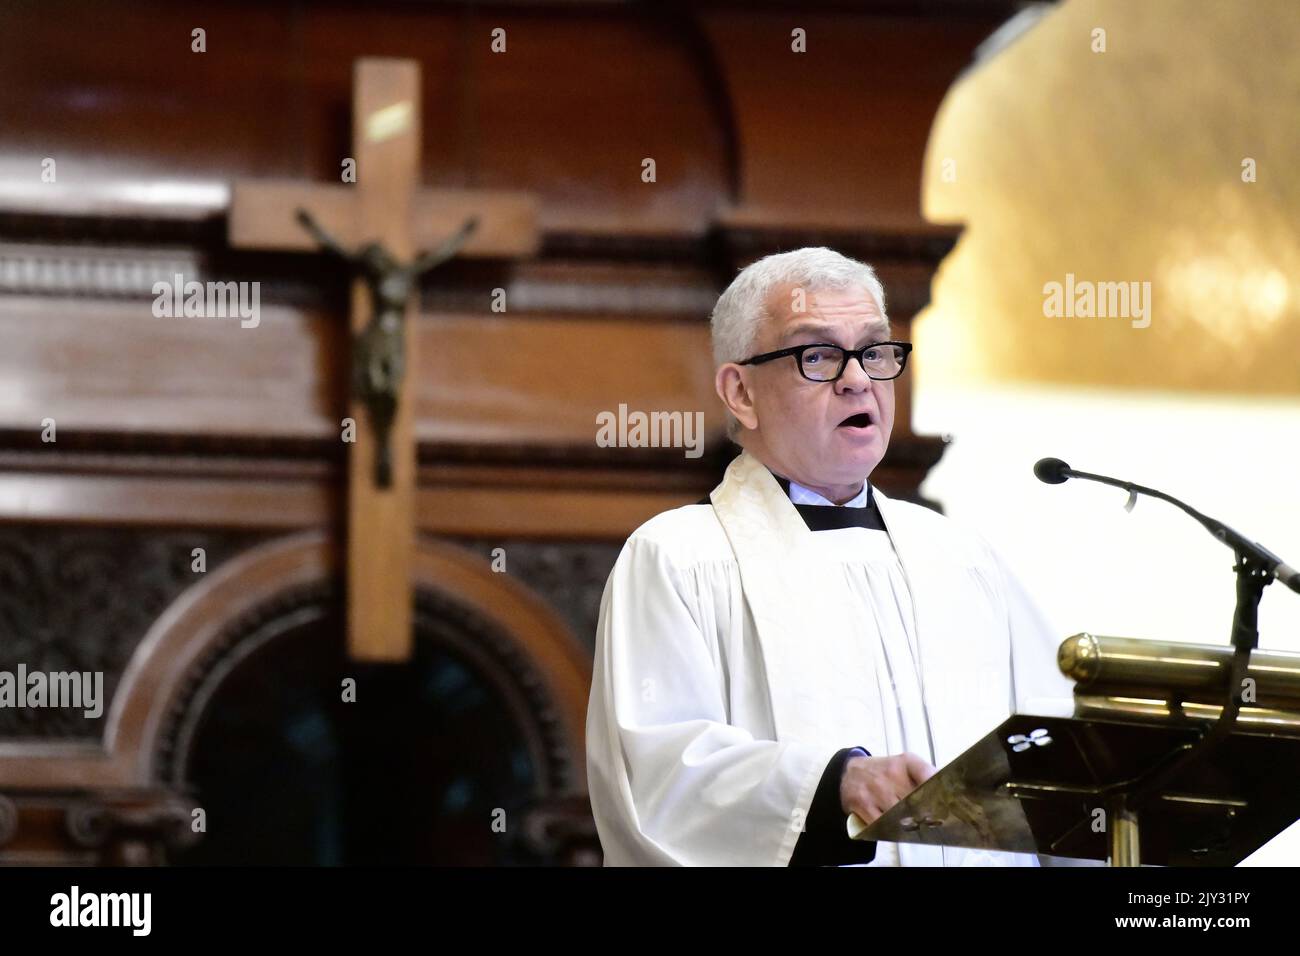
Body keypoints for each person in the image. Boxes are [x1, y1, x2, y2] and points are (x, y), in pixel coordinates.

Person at [585, 247, 1075, 866]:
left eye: (873, 351)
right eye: (816, 355)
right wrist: (832, 783)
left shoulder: (962, 559)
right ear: (741, 393)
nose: (858, 378)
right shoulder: (679, 557)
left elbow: (1057, 751)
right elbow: (659, 780)